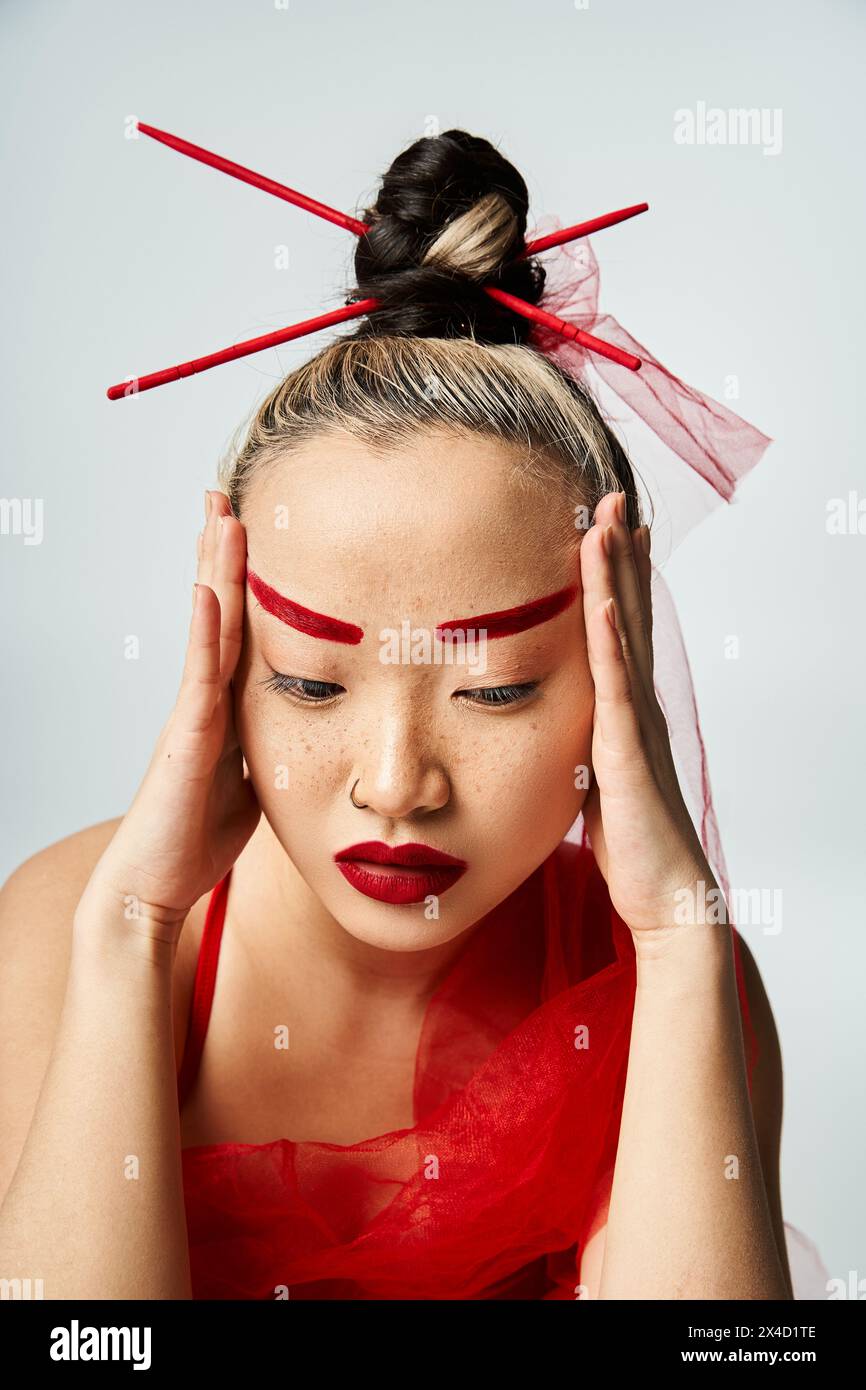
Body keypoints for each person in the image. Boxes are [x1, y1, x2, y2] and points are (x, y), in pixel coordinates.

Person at [0, 129, 802, 1300]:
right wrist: (131, 934)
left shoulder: (675, 979)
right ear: (226, 659)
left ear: (608, 667)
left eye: (495, 690)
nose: (395, 782)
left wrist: (680, 948)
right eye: (310, 682)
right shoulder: (67, 923)